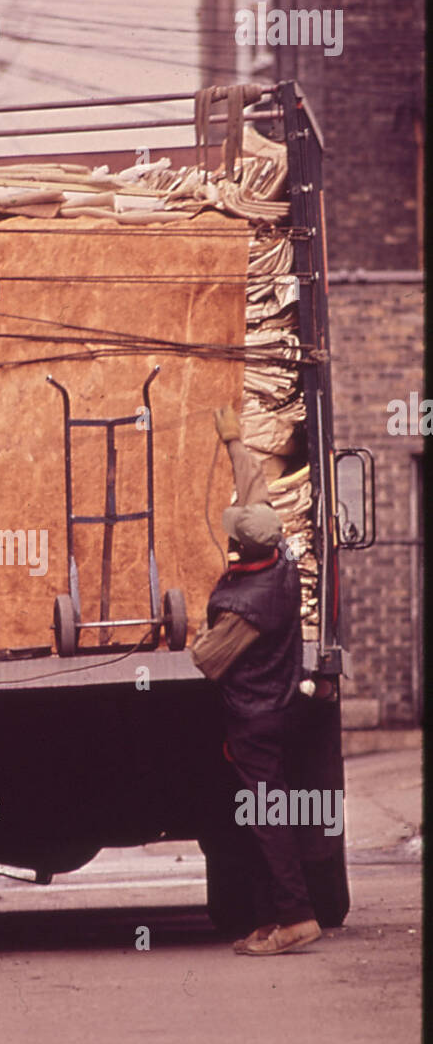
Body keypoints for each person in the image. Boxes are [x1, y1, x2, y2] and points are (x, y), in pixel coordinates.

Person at [191, 405, 321, 957]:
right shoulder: (282, 560)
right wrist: (233, 442)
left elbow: (206, 660)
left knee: (267, 819)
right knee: (260, 816)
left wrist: (201, 628)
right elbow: (257, 491)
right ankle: (268, 919)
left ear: (242, 546)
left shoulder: (249, 604)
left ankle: (296, 918)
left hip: (255, 721)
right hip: (281, 708)